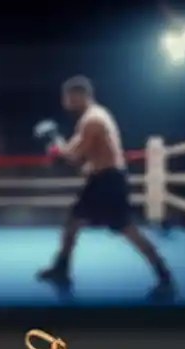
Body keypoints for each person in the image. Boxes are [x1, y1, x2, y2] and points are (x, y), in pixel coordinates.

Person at [34, 76, 172, 296]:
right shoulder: (93, 117)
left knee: (127, 228)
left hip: (109, 181)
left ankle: (164, 274)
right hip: (101, 179)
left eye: (67, 97)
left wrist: (54, 142)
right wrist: (58, 145)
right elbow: (76, 153)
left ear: (78, 96)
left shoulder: (93, 120)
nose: (64, 102)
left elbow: (73, 156)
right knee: (73, 222)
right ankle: (62, 268)